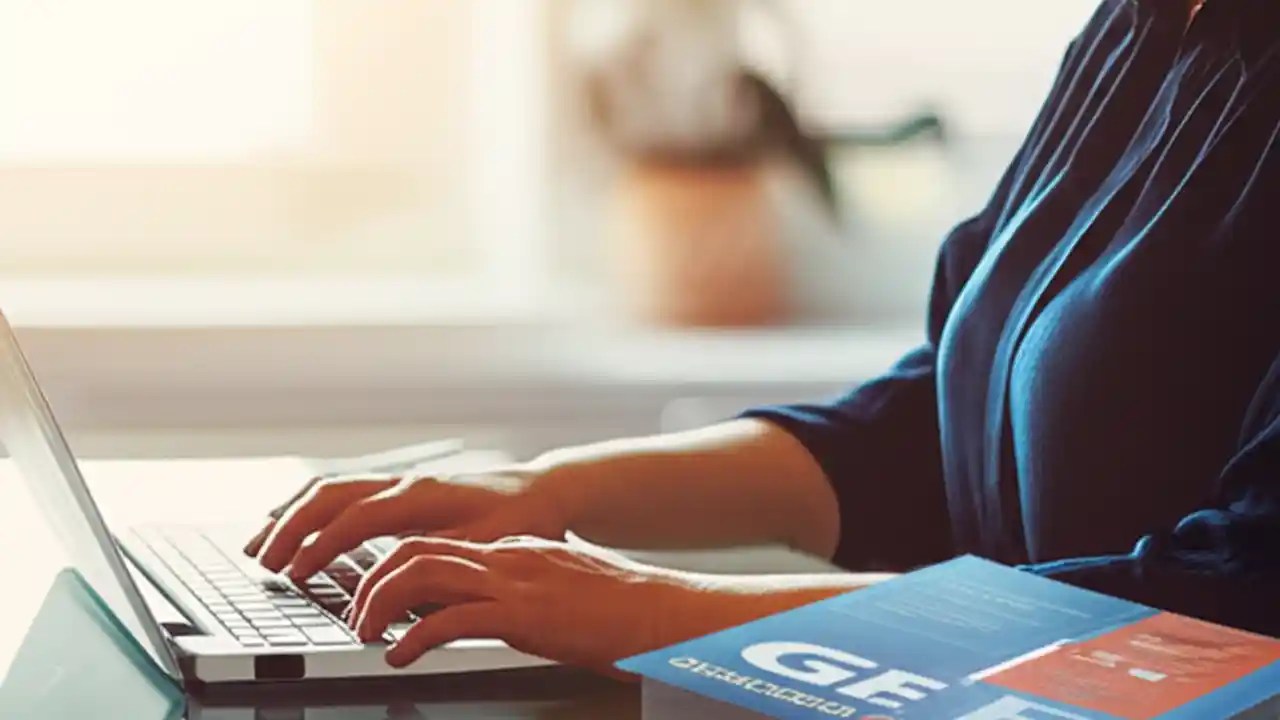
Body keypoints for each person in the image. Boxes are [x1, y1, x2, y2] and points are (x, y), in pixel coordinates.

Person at [245, 0, 1280, 676]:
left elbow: (1230, 603)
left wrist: (666, 613)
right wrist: (551, 491)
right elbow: (933, 432)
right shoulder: (1143, 28)